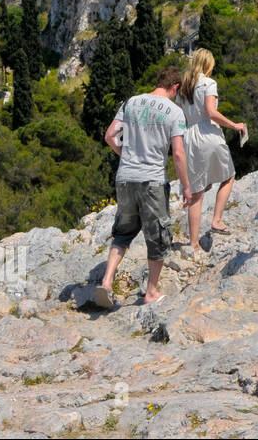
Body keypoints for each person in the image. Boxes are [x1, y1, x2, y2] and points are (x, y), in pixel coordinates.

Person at [95, 67, 192, 308]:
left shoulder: (131, 102)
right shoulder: (175, 112)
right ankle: (151, 292)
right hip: (152, 181)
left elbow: (109, 136)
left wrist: (125, 154)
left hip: (125, 177)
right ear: (176, 87)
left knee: (123, 233)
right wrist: (187, 187)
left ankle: (106, 281)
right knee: (158, 238)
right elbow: (178, 154)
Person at [176, 48, 243, 255]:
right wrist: (234, 125)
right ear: (208, 64)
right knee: (228, 176)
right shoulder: (208, 83)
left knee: (196, 193)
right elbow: (211, 112)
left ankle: (194, 244)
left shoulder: (182, 87)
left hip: (189, 136)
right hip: (208, 132)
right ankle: (217, 220)